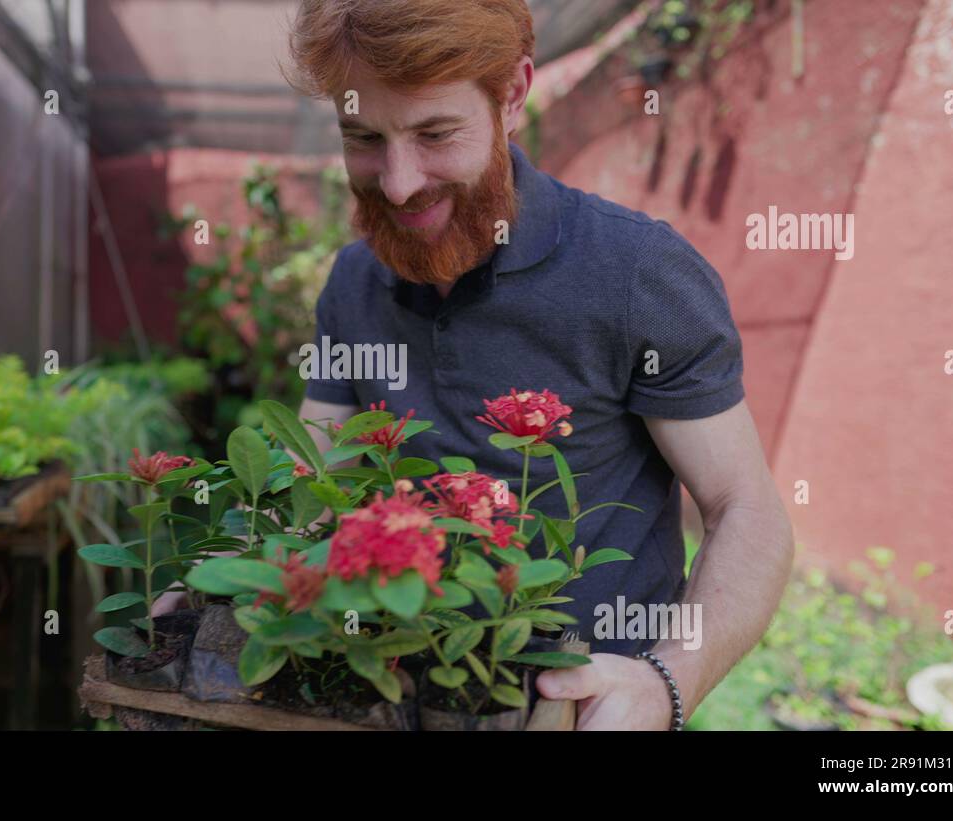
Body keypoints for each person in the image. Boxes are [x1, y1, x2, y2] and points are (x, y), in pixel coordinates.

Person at [281, 0, 793, 730]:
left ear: (513, 96)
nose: (397, 183)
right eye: (363, 137)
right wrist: (224, 583)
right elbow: (312, 476)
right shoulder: (354, 282)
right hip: (389, 700)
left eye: (436, 134)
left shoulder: (636, 273)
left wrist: (664, 685)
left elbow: (748, 511)